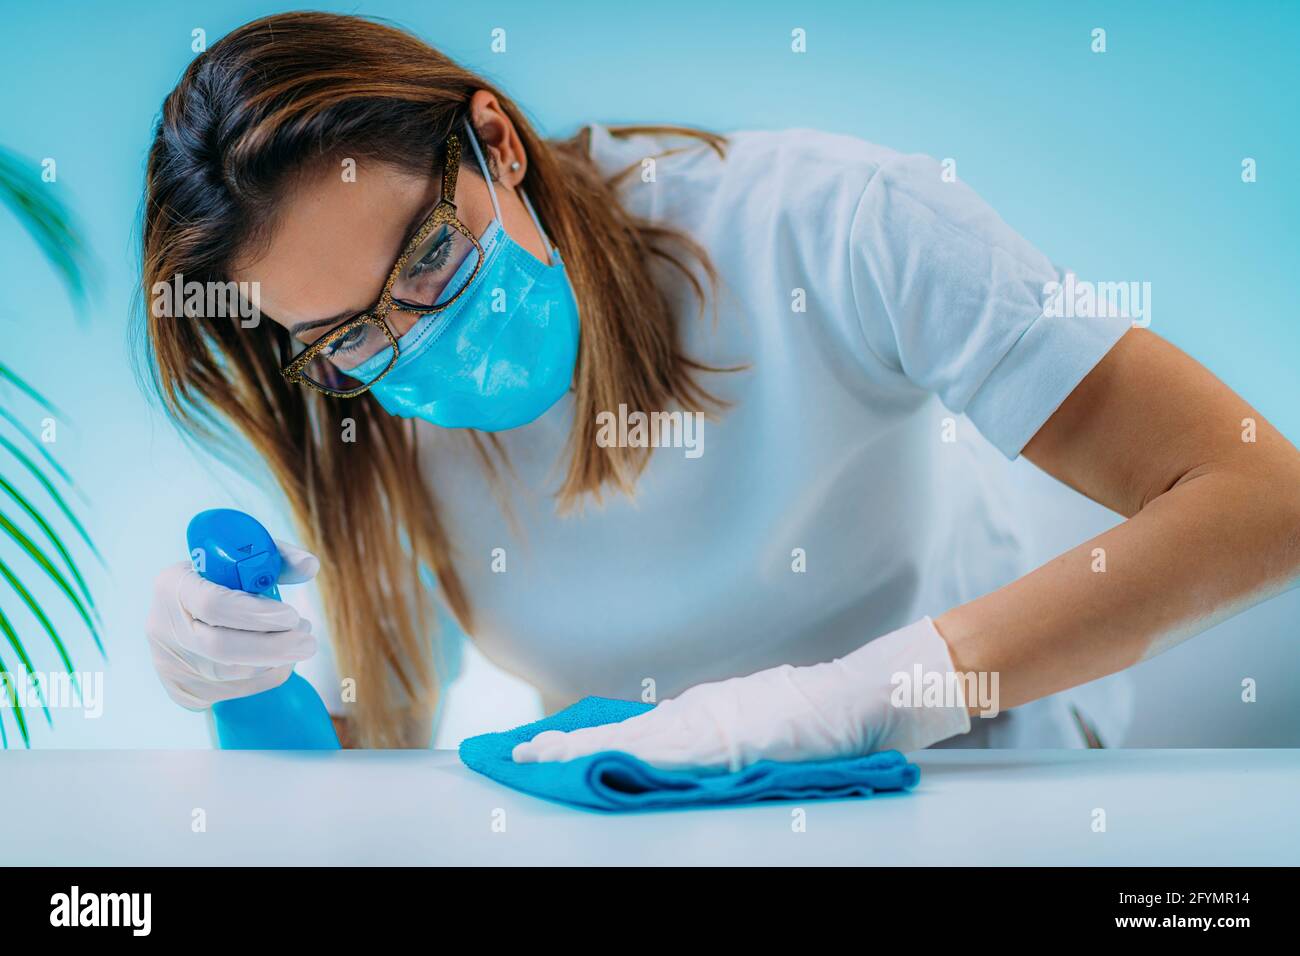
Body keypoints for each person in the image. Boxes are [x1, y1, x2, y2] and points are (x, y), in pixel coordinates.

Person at [143, 12, 1300, 764]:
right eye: (348, 333)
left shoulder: (830, 225)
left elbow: (1261, 497)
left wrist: (853, 699)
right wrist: (241, 683)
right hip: (642, 831)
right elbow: (373, 761)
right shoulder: (367, 405)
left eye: (432, 257)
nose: (417, 339)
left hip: (983, 777)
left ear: (493, 142)